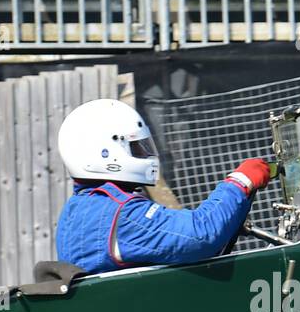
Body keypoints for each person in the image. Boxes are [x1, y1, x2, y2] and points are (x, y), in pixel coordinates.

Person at [54, 99, 271, 275]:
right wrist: (240, 182)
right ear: (105, 154)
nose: (144, 154)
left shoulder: (77, 210)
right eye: (136, 147)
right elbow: (200, 236)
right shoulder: (122, 214)